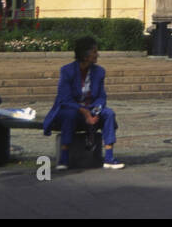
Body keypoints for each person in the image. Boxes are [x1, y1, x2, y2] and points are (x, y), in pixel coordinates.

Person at [42, 36, 123, 170]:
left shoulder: (99, 71)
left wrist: (96, 111)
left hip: (92, 109)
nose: (98, 54)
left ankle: (109, 157)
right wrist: (85, 113)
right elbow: (65, 99)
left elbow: (101, 96)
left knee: (108, 113)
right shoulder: (67, 71)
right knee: (69, 115)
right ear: (85, 55)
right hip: (73, 109)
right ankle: (64, 158)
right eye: (94, 52)